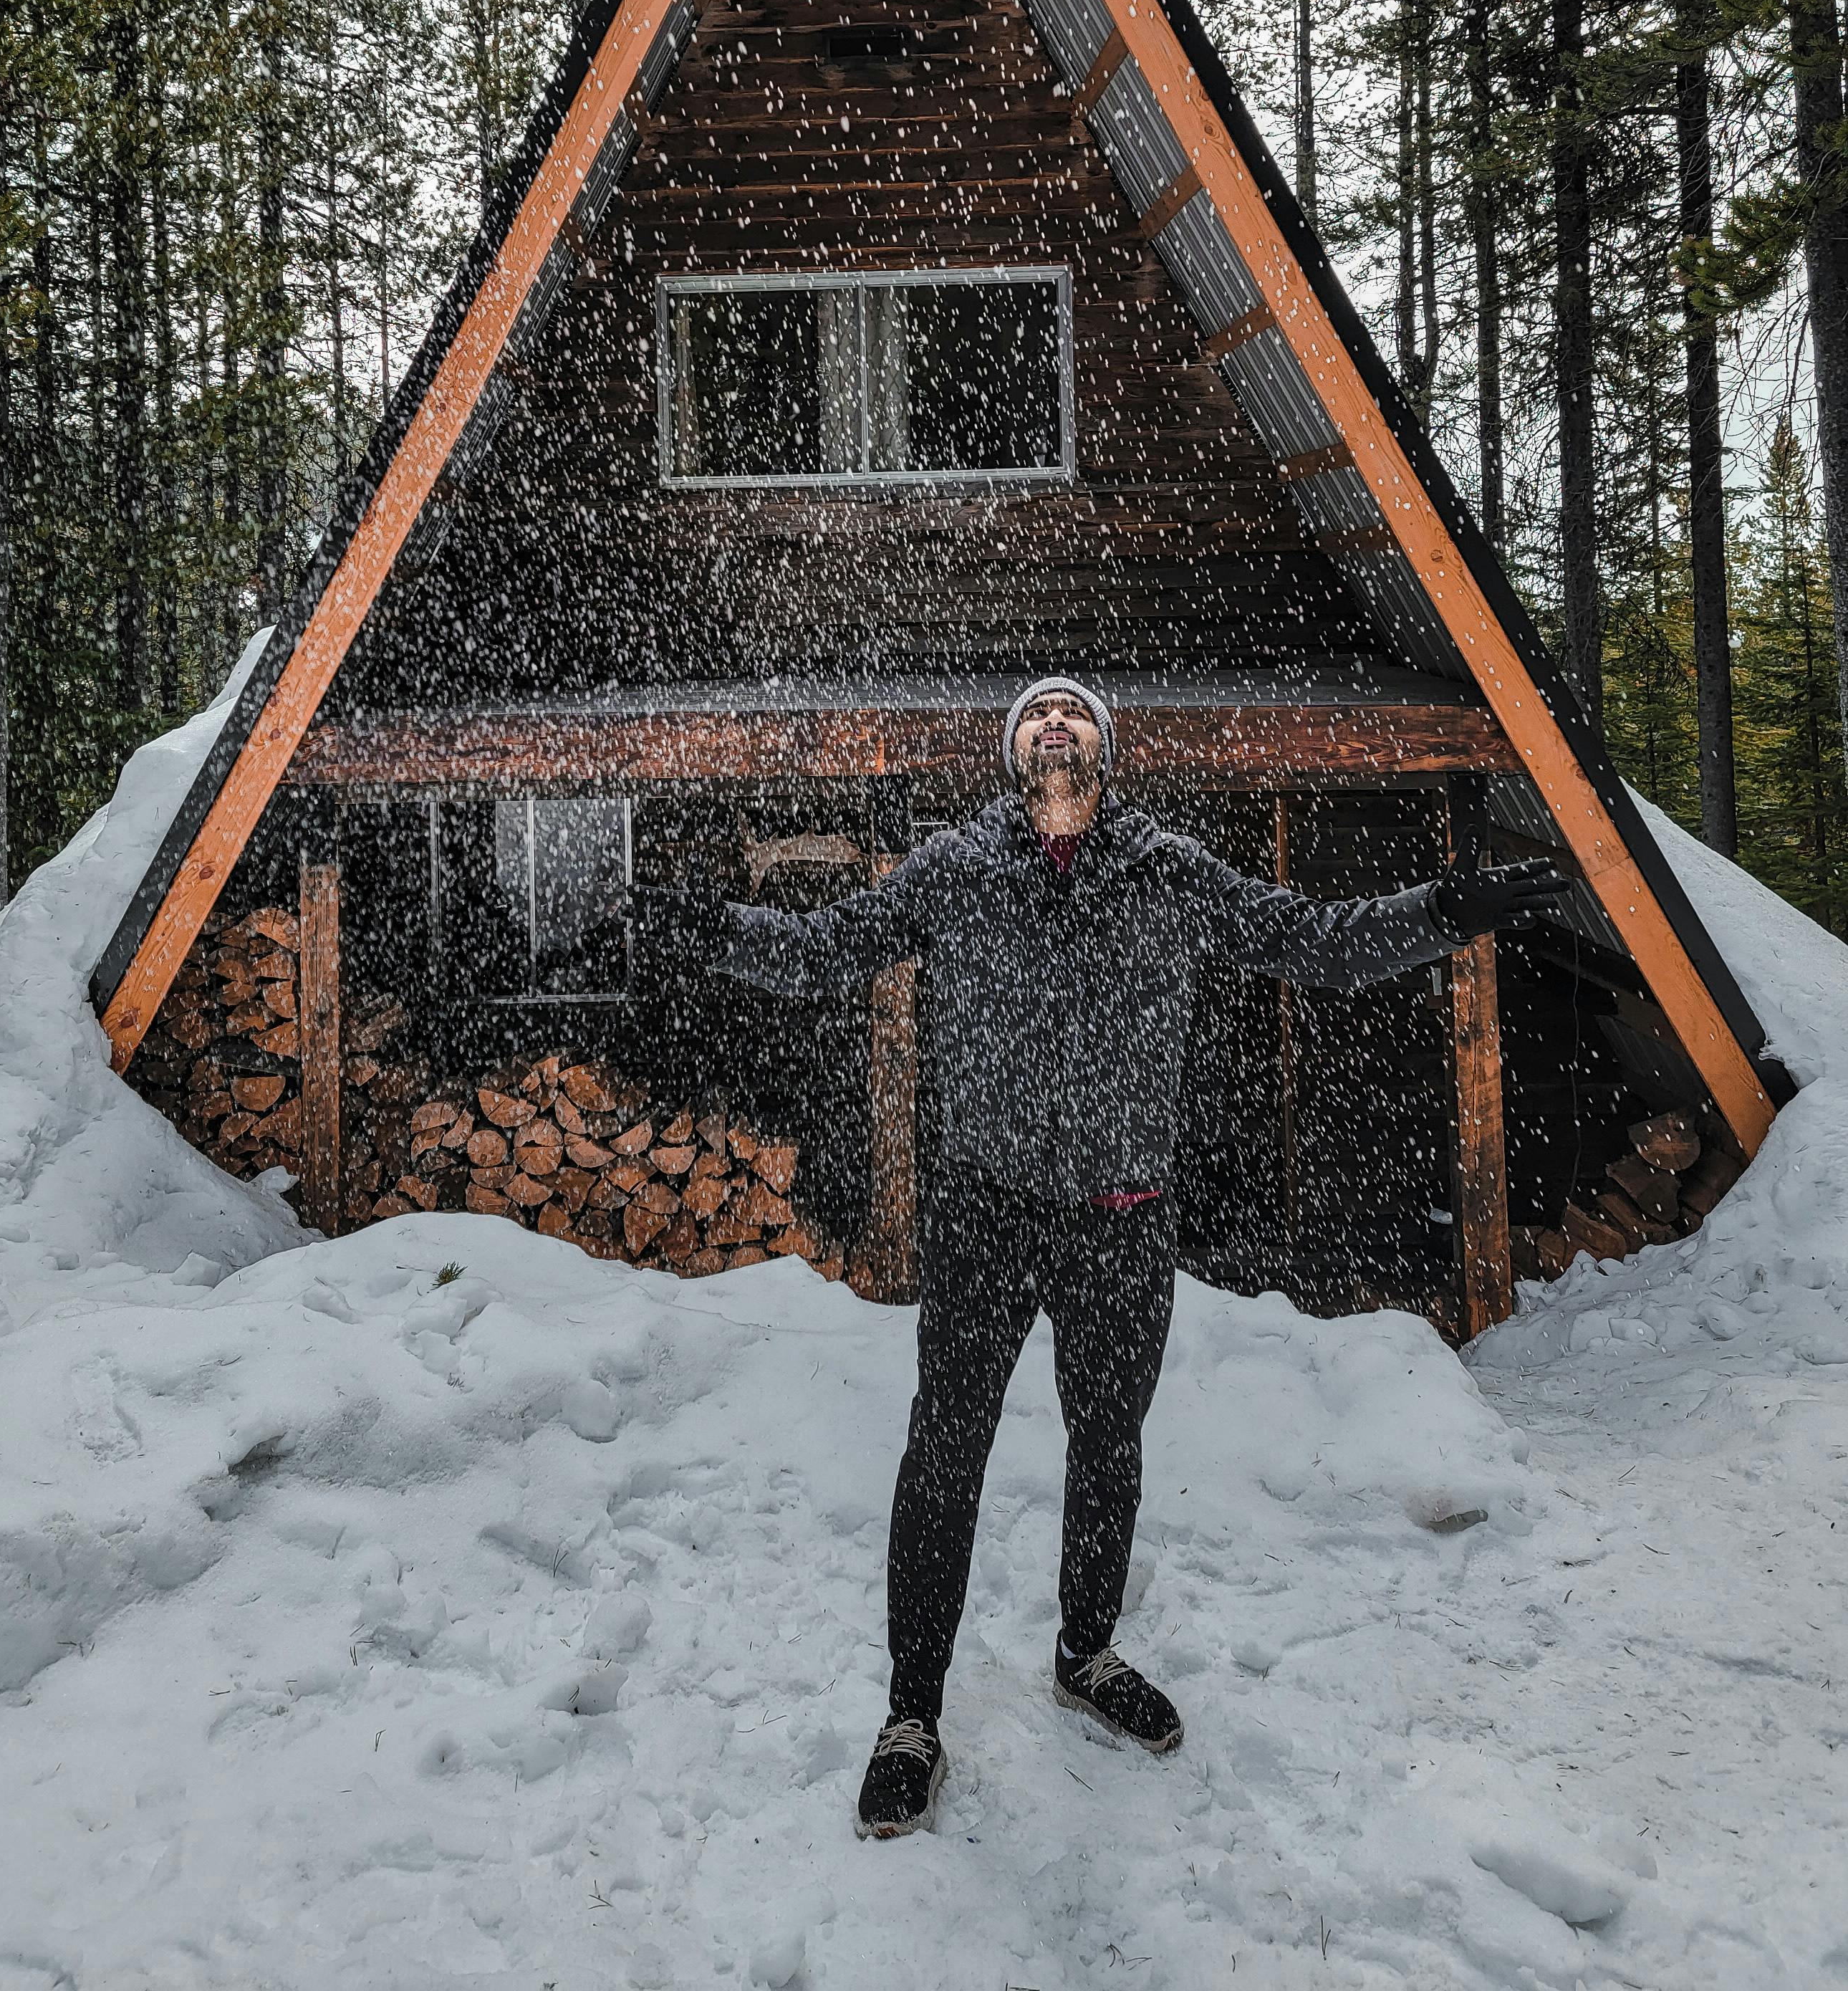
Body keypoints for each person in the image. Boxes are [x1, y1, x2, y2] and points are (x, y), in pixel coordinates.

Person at [646, 679, 1569, 1840]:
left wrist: (1443, 907)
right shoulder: (957, 868)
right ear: (1011, 753)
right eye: (1036, 714)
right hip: (984, 1210)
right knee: (945, 1456)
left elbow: (1317, 946)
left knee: (1109, 1443)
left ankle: (1085, 1653)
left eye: (1075, 713)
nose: (1055, 723)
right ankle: (913, 1716)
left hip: (1122, 1219)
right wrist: (715, 927)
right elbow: (828, 950)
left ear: (1105, 749)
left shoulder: (1168, 871)